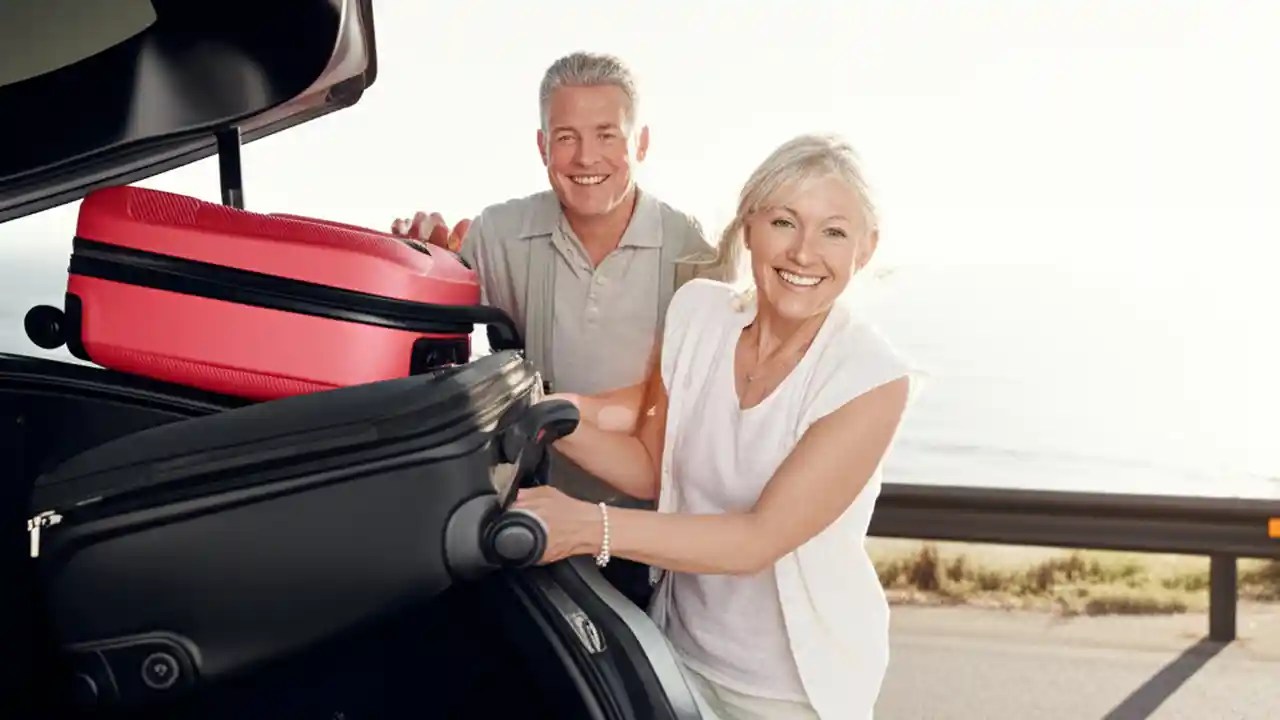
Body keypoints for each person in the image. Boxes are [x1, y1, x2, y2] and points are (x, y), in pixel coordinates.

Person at [512, 133, 915, 719]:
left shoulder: (870, 377)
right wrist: (546, 415)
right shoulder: (699, 314)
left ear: (865, 249)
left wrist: (588, 527)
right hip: (675, 650)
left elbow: (757, 539)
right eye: (784, 222)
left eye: (833, 231)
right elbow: (652, 466)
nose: (804, 253)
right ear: (749, 226)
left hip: (790, 692)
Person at [390, 51, 716, 605]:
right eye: (565, 137)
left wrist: (555, 408)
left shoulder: (693, 254)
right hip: (531, 518)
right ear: (542, 146)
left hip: (643, 537)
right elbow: (434, 322)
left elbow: (687, 400)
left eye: (607, 135)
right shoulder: (499, 232)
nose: (586, 156)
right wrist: (420, 256)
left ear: (640, 144)